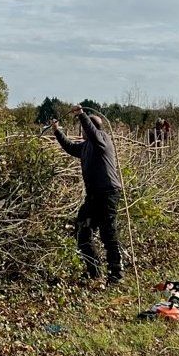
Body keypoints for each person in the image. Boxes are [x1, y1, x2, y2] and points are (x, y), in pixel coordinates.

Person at [51, 104, 124, 284]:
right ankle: (94, 271)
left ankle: (116, 274)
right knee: (83, 231)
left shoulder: (102, 139)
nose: (82, 131)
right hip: (93, 196)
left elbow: (91, 131)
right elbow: (69, 147)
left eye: (84, 128)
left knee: (108, 233)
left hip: (108, 193)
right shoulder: (85, 147)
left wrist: (81, 115)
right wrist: (57, 131)